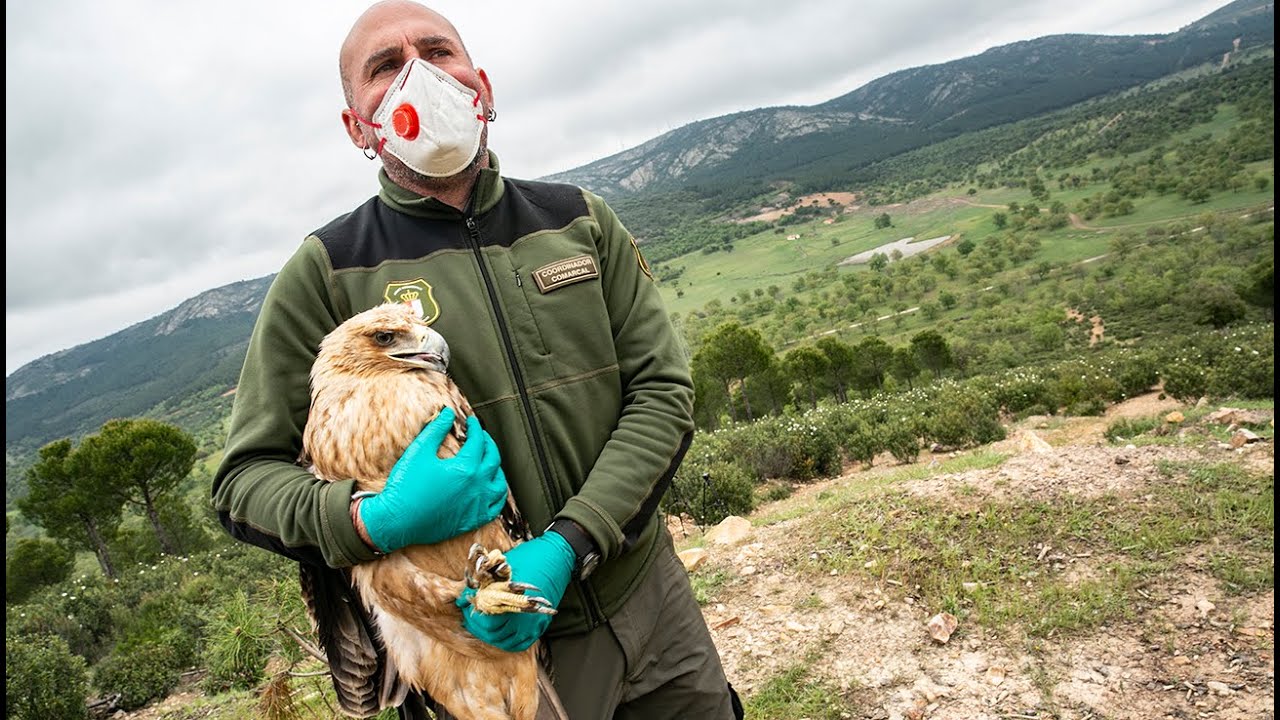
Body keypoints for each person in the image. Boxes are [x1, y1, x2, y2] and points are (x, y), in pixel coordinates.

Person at [212, 2, 741, 718]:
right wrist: (372, 520)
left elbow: (662, 393)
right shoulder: (327, 274)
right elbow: (244, 482)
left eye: (438, 51)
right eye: (385, 66)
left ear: (482, 88)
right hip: (476, 652)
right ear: (356, 127)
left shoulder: (578, 220)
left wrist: (569, 544)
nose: (420, 75)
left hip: (649, 600)